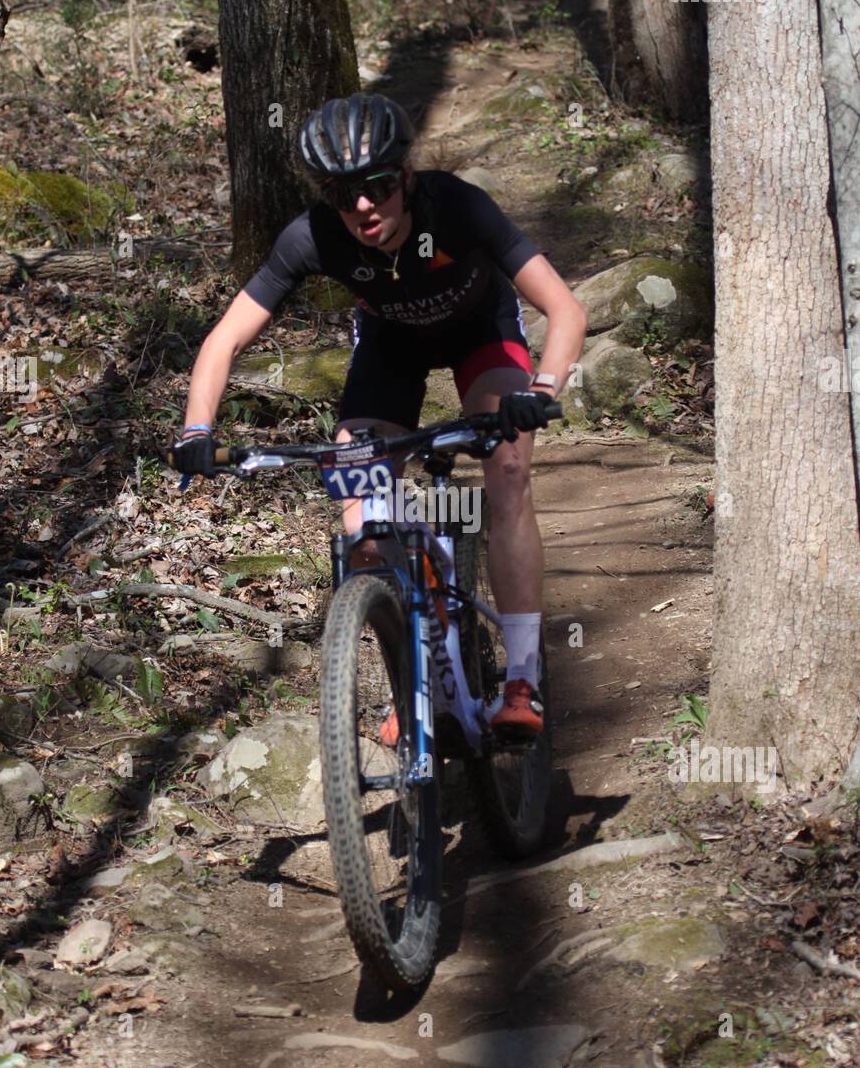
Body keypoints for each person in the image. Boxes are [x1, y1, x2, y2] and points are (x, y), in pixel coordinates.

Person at [171, 93, 587, 737]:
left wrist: (542, 386)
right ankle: (417, 671)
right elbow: (223, 339)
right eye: (344, 193)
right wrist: (197, 429)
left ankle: (522, 681)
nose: (363, 205)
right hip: (389, 349)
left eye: (377, 186)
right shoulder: (310, 236)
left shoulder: (458, 207)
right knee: (360, 510)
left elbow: (566, 309)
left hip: (481, 334)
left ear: (406, 179)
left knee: (506, 468)